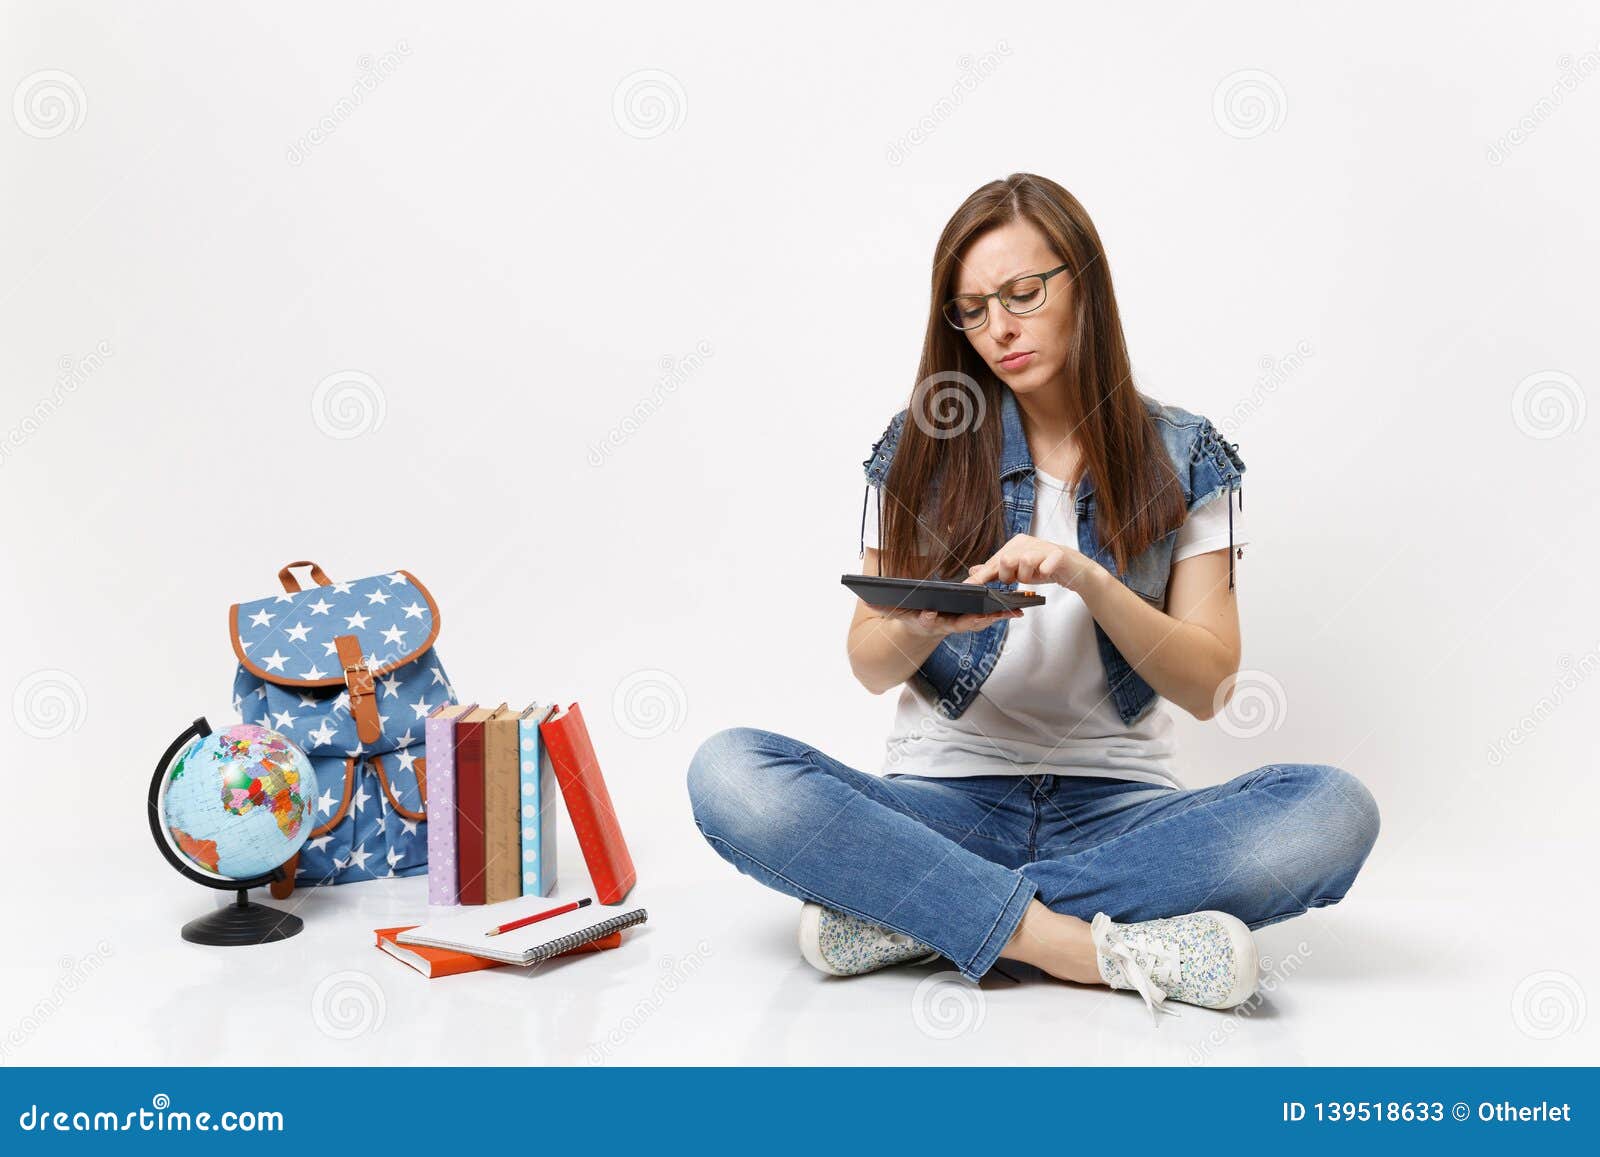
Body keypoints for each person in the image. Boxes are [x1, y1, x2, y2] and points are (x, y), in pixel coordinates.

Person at [686, 173, 1379, 1018]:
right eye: (973, 310)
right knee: (731, 773)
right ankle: (1079, 944)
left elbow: (1210, 685)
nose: (1000, 328)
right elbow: (869, 665)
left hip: (1120, 813)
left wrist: (1087, 578)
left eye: (1021, 292)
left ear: (1084, 280)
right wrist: (917, 620)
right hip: (943, 802)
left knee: (1333, 811)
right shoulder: (916, 448)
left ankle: (916, 913)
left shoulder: (1185, 454)